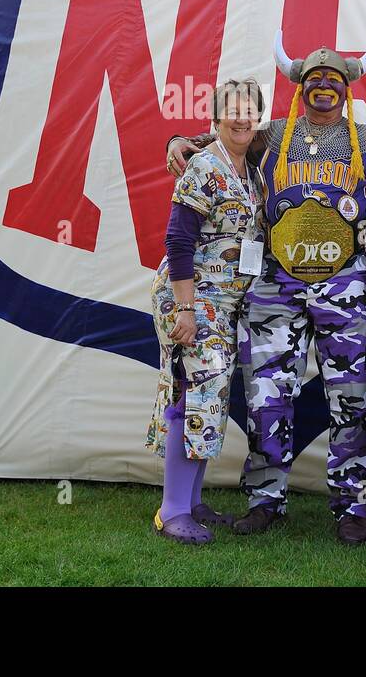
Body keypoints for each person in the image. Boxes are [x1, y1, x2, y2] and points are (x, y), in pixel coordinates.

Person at [167, 35, 366, 544]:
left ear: (349, 86)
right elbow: (222, 142)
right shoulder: (274, 134)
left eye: (334, 79)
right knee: (266, 394)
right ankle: (266, 499)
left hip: (345, 282)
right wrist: (178, 141)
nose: (324, 87)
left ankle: (352, 504)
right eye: (314, 80)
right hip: (276, 280)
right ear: (299, 87)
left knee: (352, 397)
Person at [146, 79, 265, 545]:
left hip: (224, 303)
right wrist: (186, 309)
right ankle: (171, 509)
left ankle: (192, 501)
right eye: (232, 110)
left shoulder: (248, 168)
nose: (241, 118)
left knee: (207, 397)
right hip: (193, 298)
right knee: (192, 395)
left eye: (249, 111)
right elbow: (178, 239)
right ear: (216, 117)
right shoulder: (204, 165)